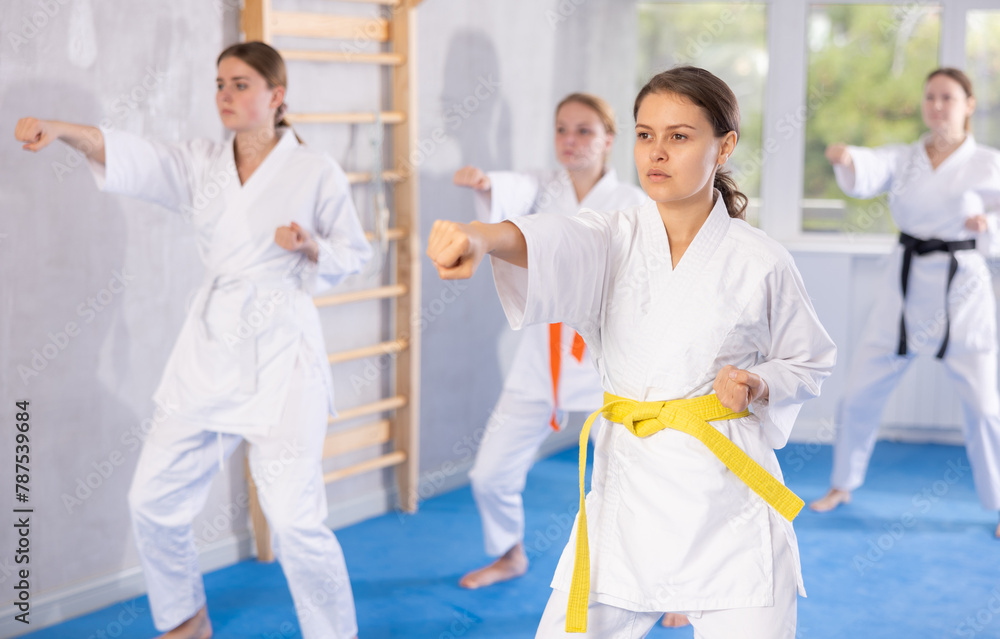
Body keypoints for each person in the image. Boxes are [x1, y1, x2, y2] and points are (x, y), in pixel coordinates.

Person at [428, 66, 836, 639]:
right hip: (627, 501)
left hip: (728, 511)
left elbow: (809, 360)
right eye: (646, 135)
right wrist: (481, 236)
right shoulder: (612, 235)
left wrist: (760, 383)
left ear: (724, 147)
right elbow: (554, 241)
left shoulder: (761, 260)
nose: (657, 152)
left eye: (679, 136)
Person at [14, 41, 371, 639]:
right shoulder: (202, 163)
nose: (224, 95)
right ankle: (185, 617)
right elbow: (132, 155)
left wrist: (313, 247)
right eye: (219, 84)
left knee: (294, 521)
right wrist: (61, 130)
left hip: (283, 360)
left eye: (240, 84)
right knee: (152, 499)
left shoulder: (315, 171)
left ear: (276, 96)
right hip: (211, 350)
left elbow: (355, 253)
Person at [451, 93, 647, 590]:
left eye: (584, 131)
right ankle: (509, 553)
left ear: (609, 139)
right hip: (540, 356)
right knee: (489, 474)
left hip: (605, 355)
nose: (570, 140)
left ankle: (667, 581)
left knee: (636, 476)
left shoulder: (631, 201)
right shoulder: (544, 188)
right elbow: (512, 191)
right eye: (562, 129)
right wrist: (487, 184)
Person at [809, 68, 1000, 533]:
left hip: (962, 290)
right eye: (930, 96)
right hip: (906, 287)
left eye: (948, 97)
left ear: (969, 105)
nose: (937, 105)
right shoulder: (905, 157)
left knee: (984, 407)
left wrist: (989, 226)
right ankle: (842, 483)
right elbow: (870, 169)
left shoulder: (988, 163)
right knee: (858, 394)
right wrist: (848, 159)